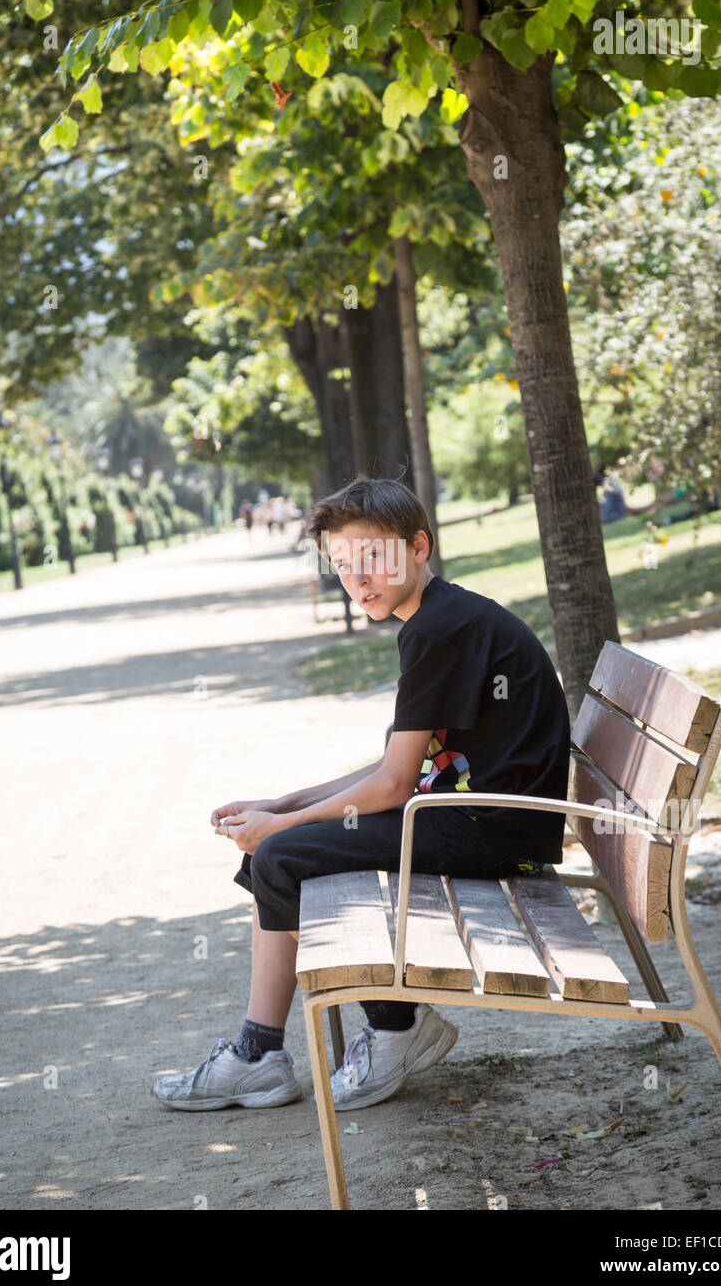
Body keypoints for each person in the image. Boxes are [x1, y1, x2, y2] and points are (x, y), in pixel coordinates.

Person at [152, 475, 571, 1114]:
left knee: (283, 857)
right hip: (472, 816)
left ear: (419, 546)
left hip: (492, 831)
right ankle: (267, 1050)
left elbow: (395, 785)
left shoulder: (438, 631)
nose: (358, 579)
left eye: (373, 557)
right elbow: (390, 770)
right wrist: (281, 806)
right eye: (342, 567)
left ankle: (360, 1034)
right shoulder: (440, 618)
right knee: (282, 847)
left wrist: (278, 828)